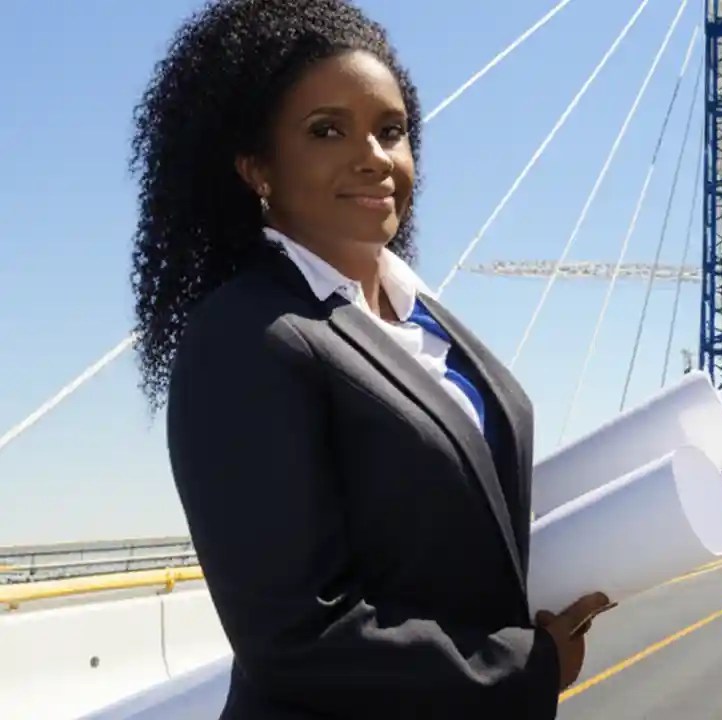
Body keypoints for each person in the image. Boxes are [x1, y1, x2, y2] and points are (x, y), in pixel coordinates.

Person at [128, 1, 610, 717]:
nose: (375, 157)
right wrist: (523, 668)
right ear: (256, 166)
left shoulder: (424, 317)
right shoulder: (245, 335)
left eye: (391, 131)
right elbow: (297, 636)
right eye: (328, 130)